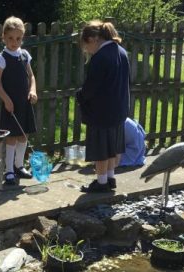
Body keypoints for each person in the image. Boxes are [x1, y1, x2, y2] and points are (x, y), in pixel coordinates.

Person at [76, 21, 130, 193]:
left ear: (92, 39)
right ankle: (110, 178)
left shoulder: (100, 57)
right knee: (112, 147)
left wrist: (80, 95)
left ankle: (100, 182)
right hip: (119, 108)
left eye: (86, 46)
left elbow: (91, 88)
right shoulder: (121, 51)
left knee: (101, 148)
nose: (86, 50)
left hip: (101, 111)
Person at [0, 16, 38, 187]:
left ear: (22, 38)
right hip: (10, 103)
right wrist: (6, 99)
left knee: (24, 136)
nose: (14, 42)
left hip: (24, 103)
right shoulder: (1, 58)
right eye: (10, 38)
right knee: (11, 137)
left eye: (18, 38)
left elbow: (31, 76)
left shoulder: (25, 55)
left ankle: (19, 166)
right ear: (3, 37)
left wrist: (33, 90)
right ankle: (9, 170)